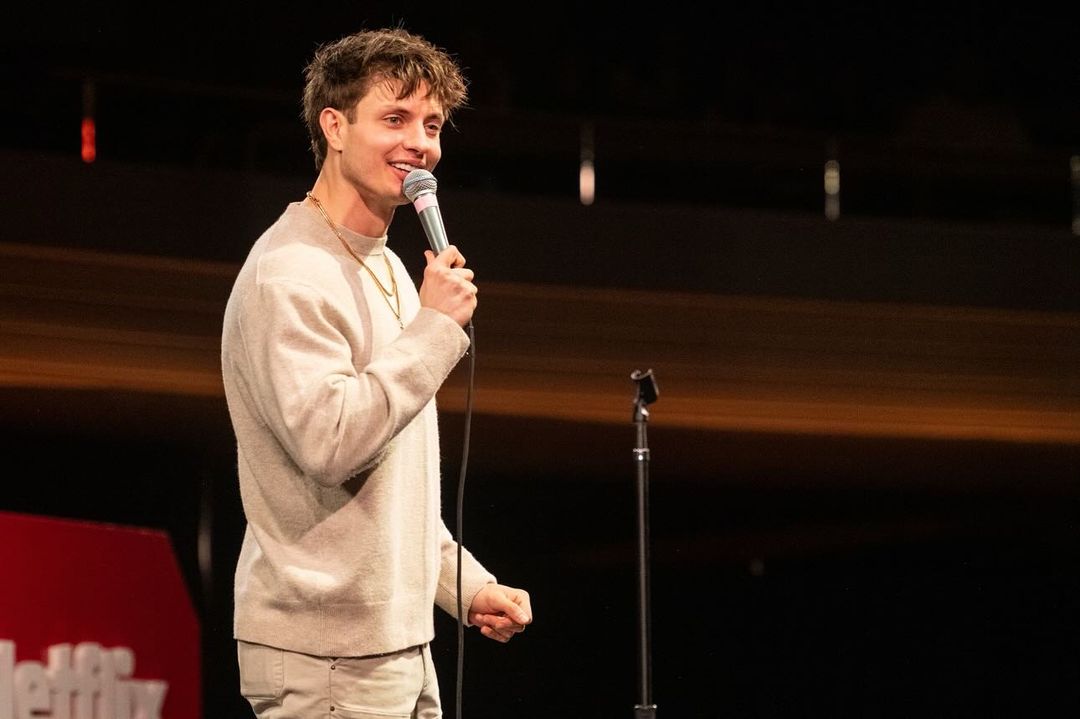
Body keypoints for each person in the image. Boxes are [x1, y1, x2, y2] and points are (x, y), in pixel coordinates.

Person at [220, 26, 532, 718]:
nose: (419, 144)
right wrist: (432, 331)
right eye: (394, 118)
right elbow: (330, 445)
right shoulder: (289, 273)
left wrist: (464, 586)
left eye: (432, 124)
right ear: (333, 125)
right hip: (323, 660)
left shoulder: (392, 265)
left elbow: (391, 490)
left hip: (396, 649)